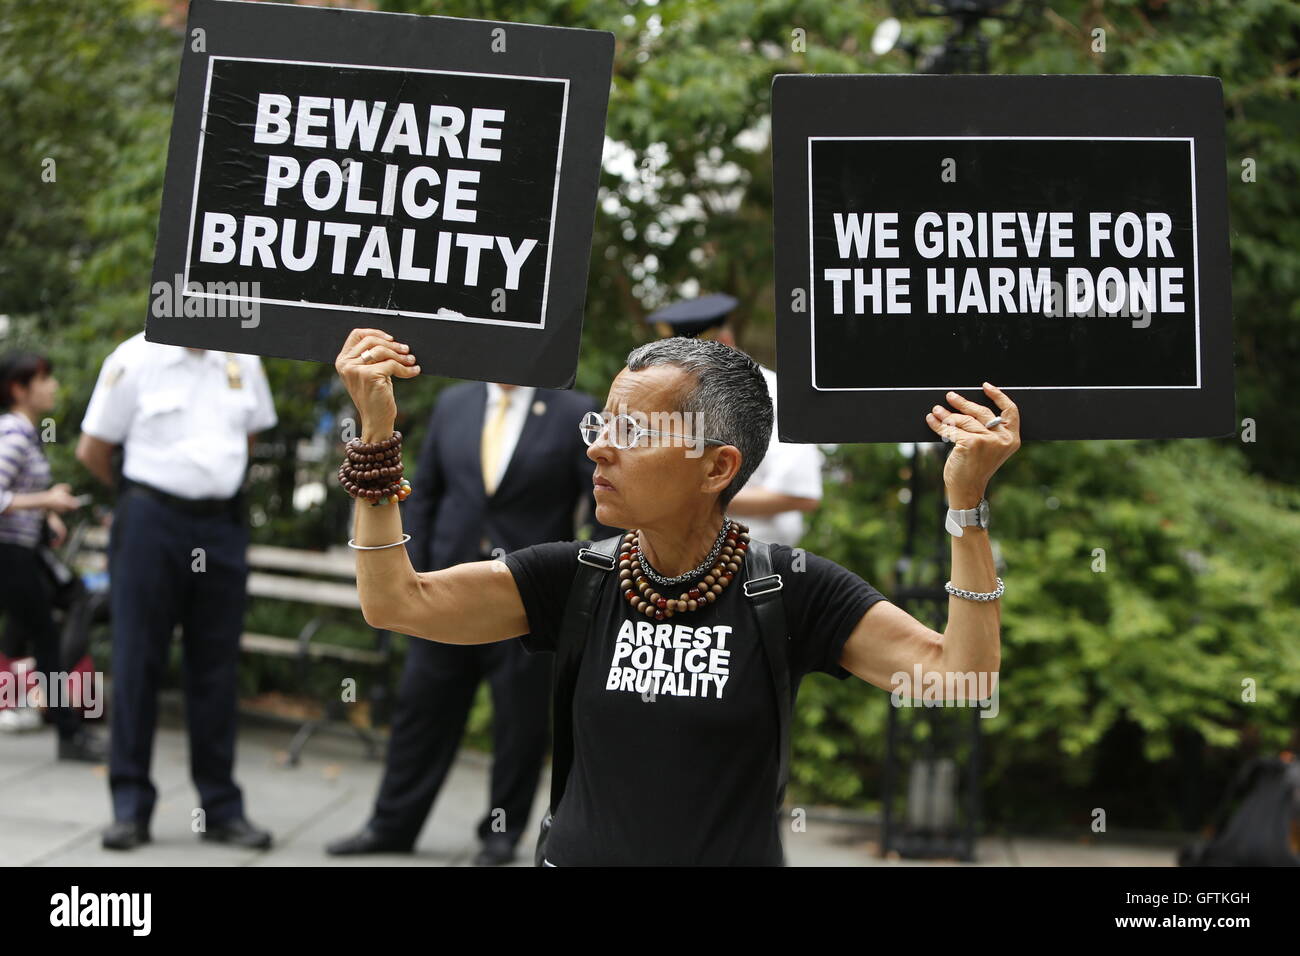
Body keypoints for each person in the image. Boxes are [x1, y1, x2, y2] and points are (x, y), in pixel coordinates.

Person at [334, 326, 1019, 865]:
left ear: (717, 466)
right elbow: (397, 602)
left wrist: (966, 507)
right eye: (599, 426)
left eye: (631, 432)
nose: (600, 449)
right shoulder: (574, 577)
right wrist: (374, 433)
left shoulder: (791, 588)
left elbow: (960, 676)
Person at [327, 379, 617, 865]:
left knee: (519, 722)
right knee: (421, 711)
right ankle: (392, 824)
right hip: (443, 588)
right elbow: (425, 494)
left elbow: (601, 505)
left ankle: (500, 834)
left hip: (523, 598)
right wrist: (412, 572)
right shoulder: (454, 403)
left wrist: (585, 581)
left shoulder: (574, 410)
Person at [76, 332, 278, 851]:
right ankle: (130, 808)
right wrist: (141, 498)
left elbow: (250, 437)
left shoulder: (240, 356)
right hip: (151, 521)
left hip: (221, 525)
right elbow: (93, 448)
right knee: (138, 660)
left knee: (216, 665)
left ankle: (221, 808)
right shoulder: (133, 357)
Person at [648, 294, 823, 546]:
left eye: (691, 360)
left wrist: (693, 496)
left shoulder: (777, 394)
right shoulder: (679, 396)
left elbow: (800, 495)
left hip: (757, 562)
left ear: (725, 341)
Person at [0, 350, 104, 759]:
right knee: (45, 637)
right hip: (9, 555)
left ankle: (66, 730)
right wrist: (47, 498)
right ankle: (67, 733)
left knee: (42, 634)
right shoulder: (13, 434)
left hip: (20, 551)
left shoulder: (23, 433)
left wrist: (46, 516)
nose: (53, 386)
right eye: (43, 380)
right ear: (18, 389)